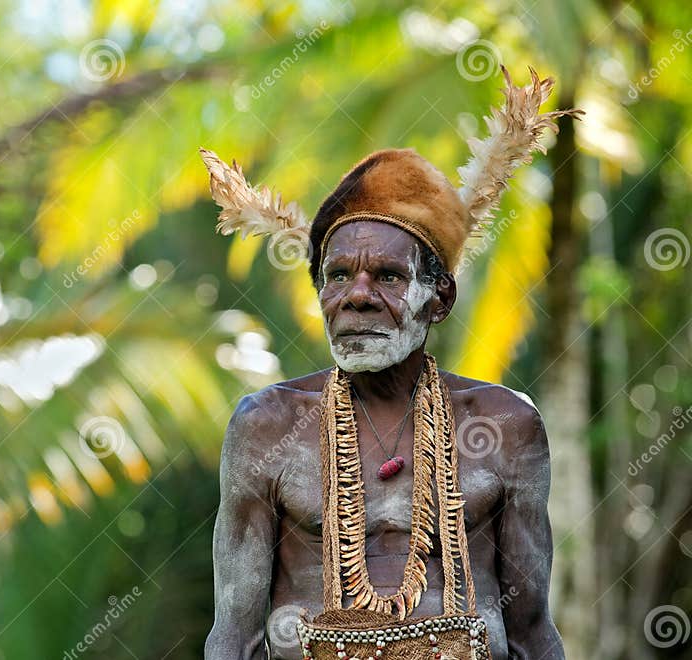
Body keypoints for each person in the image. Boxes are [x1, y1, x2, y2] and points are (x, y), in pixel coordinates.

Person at [199, 67, 582, 660]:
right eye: (337, 276)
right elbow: (235, 635)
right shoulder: (267, 426)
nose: (356, 295)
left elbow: (531, 628)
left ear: (440, 299)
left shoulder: (506, 425)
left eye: (388, 276)